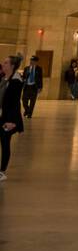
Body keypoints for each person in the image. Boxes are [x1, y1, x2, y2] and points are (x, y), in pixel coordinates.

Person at [0, 54, 24, 182]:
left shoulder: (16, 81)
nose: (3, 65)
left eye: (5, 63)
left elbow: (15, 103)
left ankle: (2, 171)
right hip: (1, 116)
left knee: (4, 143)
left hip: (9, 119)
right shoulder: (4, 78)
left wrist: (12, 121)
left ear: (12, 66)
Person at [22, 54, 43, 119]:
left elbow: (40, 78)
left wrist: (40, 87)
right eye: (31, 60)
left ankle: (29, 114)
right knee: (24, 100)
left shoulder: (39, 69)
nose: (31, 62)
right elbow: (24, 77)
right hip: (27, 86)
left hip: (34, 87)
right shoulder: (26, 68)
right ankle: (27, 110)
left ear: (36, 62)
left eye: (33, 60)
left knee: (32, 101)